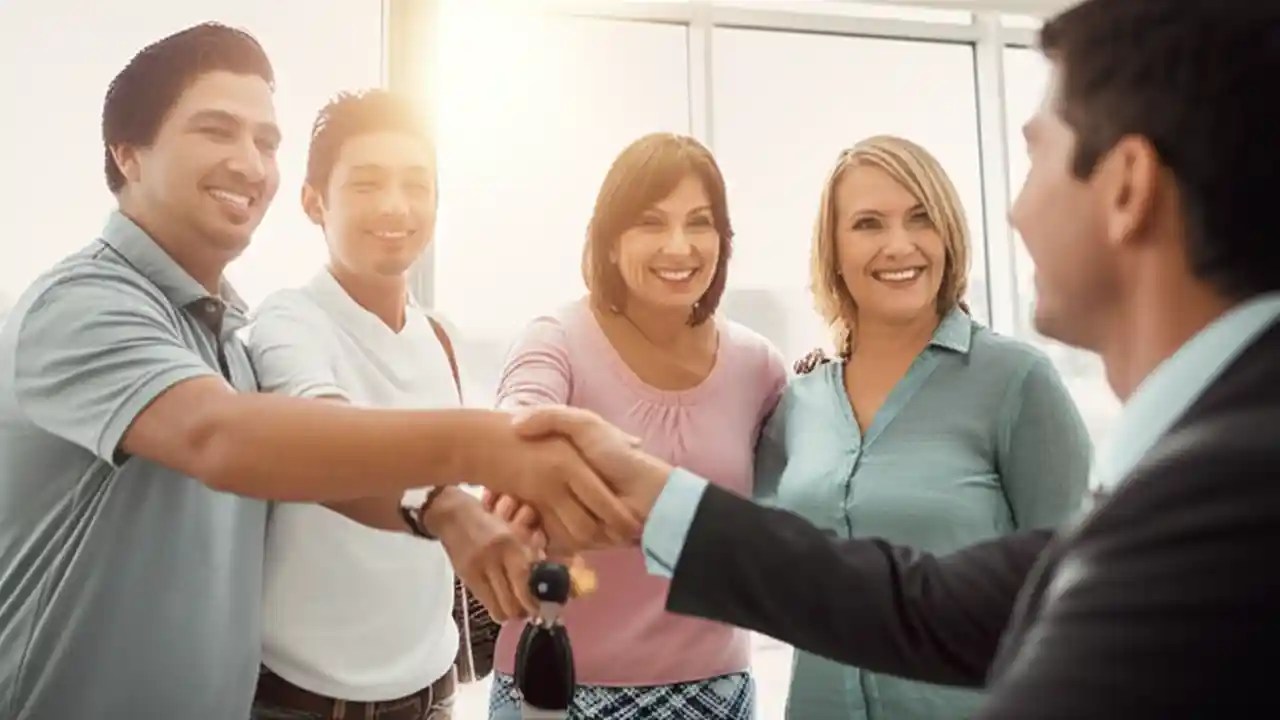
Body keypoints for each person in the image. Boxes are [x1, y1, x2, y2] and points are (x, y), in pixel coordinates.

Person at [511, 0, 1280, 717]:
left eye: (1036, 154)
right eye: (869, 224)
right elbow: (917, 600)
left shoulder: (1227, 486)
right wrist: (654, 495)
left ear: (1128, 188)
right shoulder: (802, 393)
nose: (1012, 210)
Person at [0, 24, 636, 720]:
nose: (248, 162)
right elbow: (222, 440)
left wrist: (444, 507)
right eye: (216, 131)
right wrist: (487, 446)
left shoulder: (221, 337)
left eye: (266, 141)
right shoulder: (84, 304)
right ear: (128, 156)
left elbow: (313, 472)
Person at [758, 135, 1089, 720]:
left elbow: (1079, 590)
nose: (899, 244)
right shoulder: (801, 402)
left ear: (948, 235)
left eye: (921, 218)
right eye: (867, 224)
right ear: (832, 250)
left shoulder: (1016, 381)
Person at [245, 90, 536, 720]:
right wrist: (444, 503)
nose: (396, 207)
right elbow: (322, 442)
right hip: (303, 704)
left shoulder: (442, 338)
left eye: (417, 184)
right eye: (367, 184)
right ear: (312, 201)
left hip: (433, 697)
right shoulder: (289, 321)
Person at [484, 133, 787, 720]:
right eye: (651, 222)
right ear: (611, 240)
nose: (679, 246)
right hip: (558, 691)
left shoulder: (759, 366)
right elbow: (510, 436)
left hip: (716, 692)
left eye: (699, 223)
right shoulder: (557, 339)